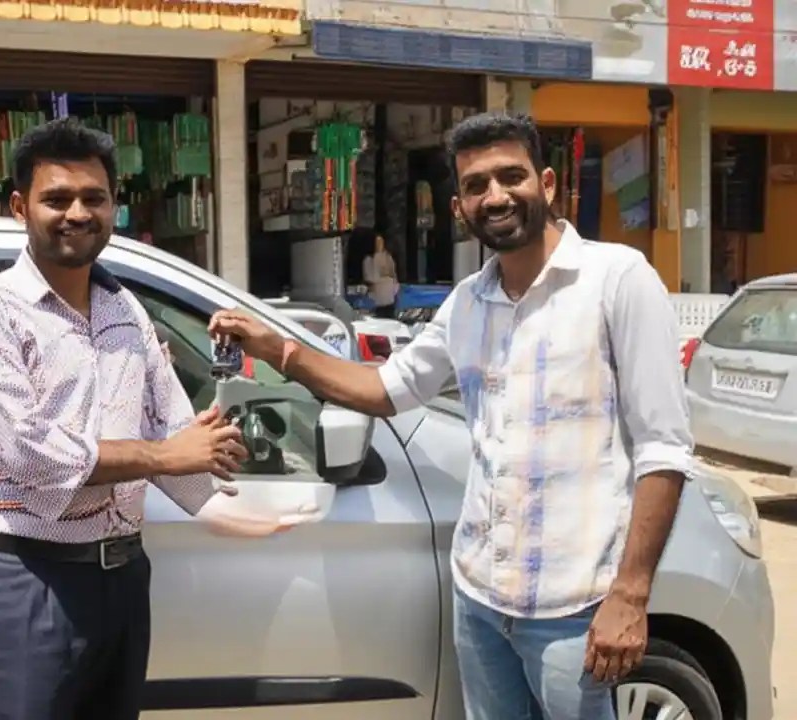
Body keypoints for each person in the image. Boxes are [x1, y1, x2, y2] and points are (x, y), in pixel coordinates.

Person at [208, 112, 693, 720]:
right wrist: (276, 349)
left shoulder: (617, 281)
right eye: (475, 186)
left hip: (577, 608)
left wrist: (630, 594)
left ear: (545, 185)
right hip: (482, 601)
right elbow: (387, 388)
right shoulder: (468, 302)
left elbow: (664, 449)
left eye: (509, 177)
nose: (495, 196)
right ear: (460, 205)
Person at [0, 117, 316, 720]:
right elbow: (31, 455)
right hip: (29, 581)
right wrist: (167, 457)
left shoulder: (124, 308)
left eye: (94, 198)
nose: (77, 213)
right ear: (19, 207)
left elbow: (170, 422)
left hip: (121, 580)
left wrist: (222, 504)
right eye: (56, 199)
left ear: (115, 206)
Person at [362, 232, 399, 318]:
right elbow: (372, 278)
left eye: (381, 242)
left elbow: (392, 274)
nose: (379, 245)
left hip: (390, 299)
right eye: (377, 242)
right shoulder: (368, 260)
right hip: (377, 300)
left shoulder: (388, 257)